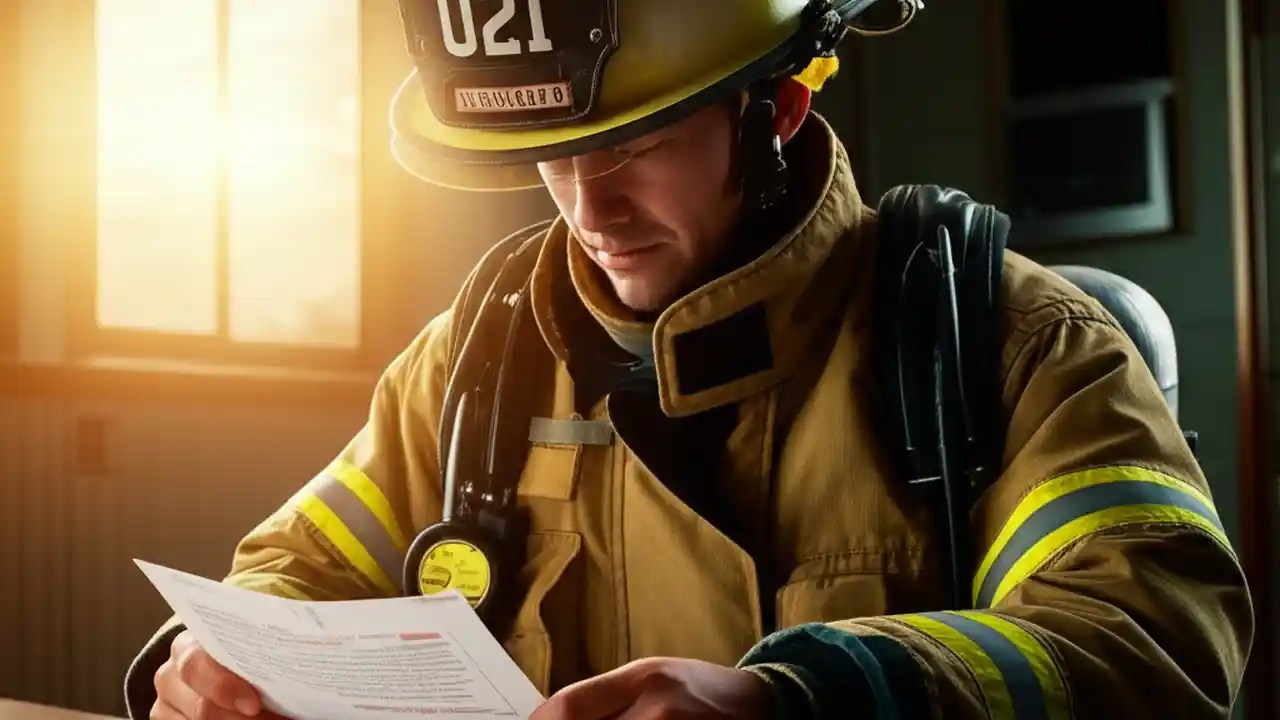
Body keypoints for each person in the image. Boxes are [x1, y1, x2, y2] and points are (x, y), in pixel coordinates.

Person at [126, 1, 1254, 718]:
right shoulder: (473, 364)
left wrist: (804, 699)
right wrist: (211, 661)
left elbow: (1154, 643)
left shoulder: (1010, 340)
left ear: (778, 105)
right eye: (553, 156)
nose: (589, 210)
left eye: (636, 145)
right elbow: (295, 573)